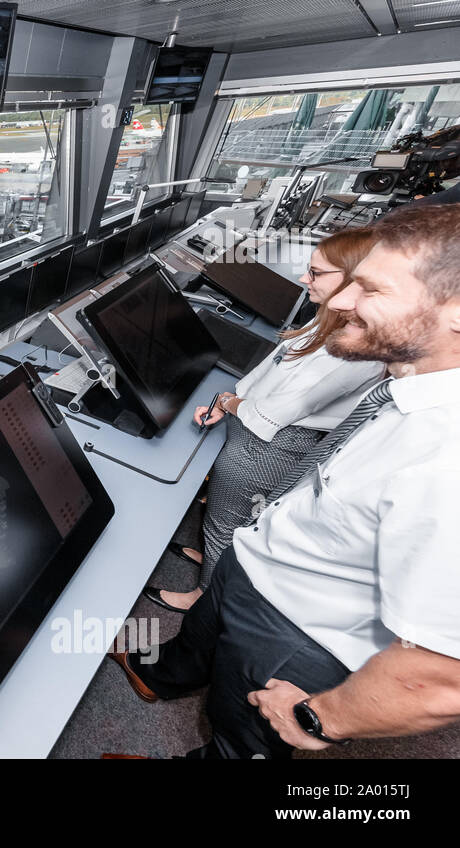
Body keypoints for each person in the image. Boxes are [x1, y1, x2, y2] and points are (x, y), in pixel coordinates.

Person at [110, 203, 460, 758]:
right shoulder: (407, 391)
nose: (343, 301)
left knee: (240, 737)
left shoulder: (448, 456)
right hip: (256, 559)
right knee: (195, 644)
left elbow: (440, 676)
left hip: (293, 629)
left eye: (372, 290)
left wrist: (324, 719)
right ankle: (162, 675)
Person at [144, 228, 385, 612]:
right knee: (221, 517)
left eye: (317, 273)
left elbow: (277, 413)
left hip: (269, 448)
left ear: (358, 281)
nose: (306, 279)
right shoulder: (329, 321)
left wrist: (227, 400)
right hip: (250, 428)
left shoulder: (356, 350)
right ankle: (210, 554)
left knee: (229, 526)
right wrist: (229, 402)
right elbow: (272, 365)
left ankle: (203, 597)